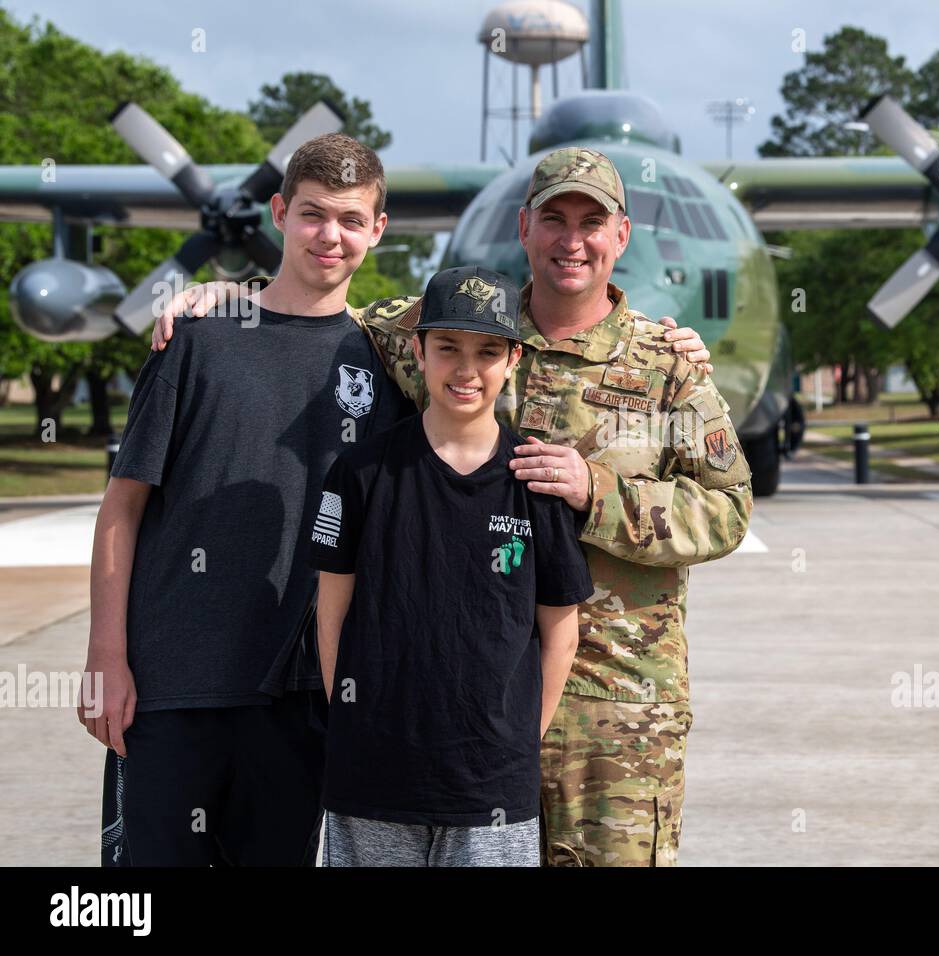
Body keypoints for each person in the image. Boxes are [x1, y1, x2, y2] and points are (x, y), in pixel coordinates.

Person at [151, 147, 738, 866]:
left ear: (621, 235)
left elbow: (729, 508)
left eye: (592, 223)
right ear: (523, 228)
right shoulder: (451, 325)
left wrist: (599, 493)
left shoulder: (668, 365)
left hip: (613, 710)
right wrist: (230, 294)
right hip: (455, 712)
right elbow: (320, 296)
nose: (572, 240)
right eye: (553, 219)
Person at [79, 133, 416, 865]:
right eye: (313, 214)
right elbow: (121, 508)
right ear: (279, 213)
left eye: (351, 220)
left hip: (300, 698)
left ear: (378, 230)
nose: (330, 236)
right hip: (171, 683)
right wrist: (106, 654)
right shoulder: (197, 338)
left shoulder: (386, 365)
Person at [310, 266, 592, 867]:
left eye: (487, 351)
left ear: (513, 359)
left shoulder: (536, 482)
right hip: (373, 779)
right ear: (418, 351)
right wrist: (354, 724)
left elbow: (561, 633)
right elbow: (331, 613)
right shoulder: (361, 472)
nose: (466, 370)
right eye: (447, 348)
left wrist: (516, 746)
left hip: (492, 790)